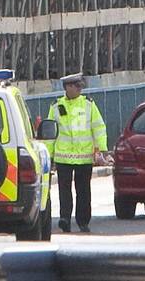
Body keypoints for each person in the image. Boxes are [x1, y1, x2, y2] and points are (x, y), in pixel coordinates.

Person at [46, 73, 107, 233]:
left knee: (83, 192)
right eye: (77, 86)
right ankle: (65, 219)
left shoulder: (88, 104)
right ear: (67, 87)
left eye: (80, 86)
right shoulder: (55, 106)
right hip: (63, 157)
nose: (80, 89)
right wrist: (49, 156)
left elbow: (98, 127)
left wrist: (101, 149)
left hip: (84, 156)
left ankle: (83, 221)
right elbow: (50, 133)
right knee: (64, 191)